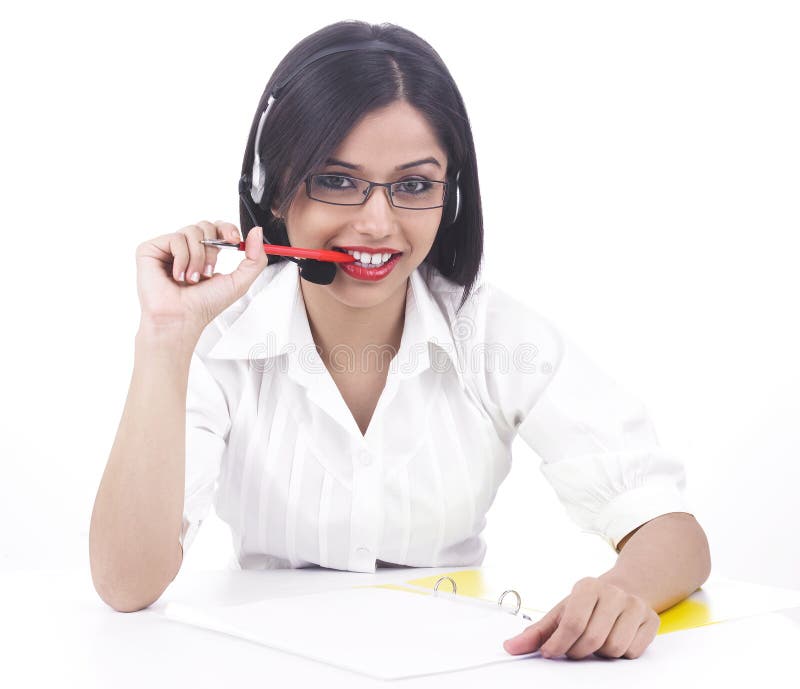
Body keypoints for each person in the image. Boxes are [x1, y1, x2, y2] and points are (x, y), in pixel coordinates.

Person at [90, 20, 711, 661]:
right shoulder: (220, 340)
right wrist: (165, 338)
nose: (377, 223)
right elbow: (125, 584)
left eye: (414, 185)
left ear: (450, 197)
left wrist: (621, 592)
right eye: (337, 180)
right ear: (270, 188)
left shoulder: (494, 333)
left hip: (454, 665)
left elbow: (673, 531)